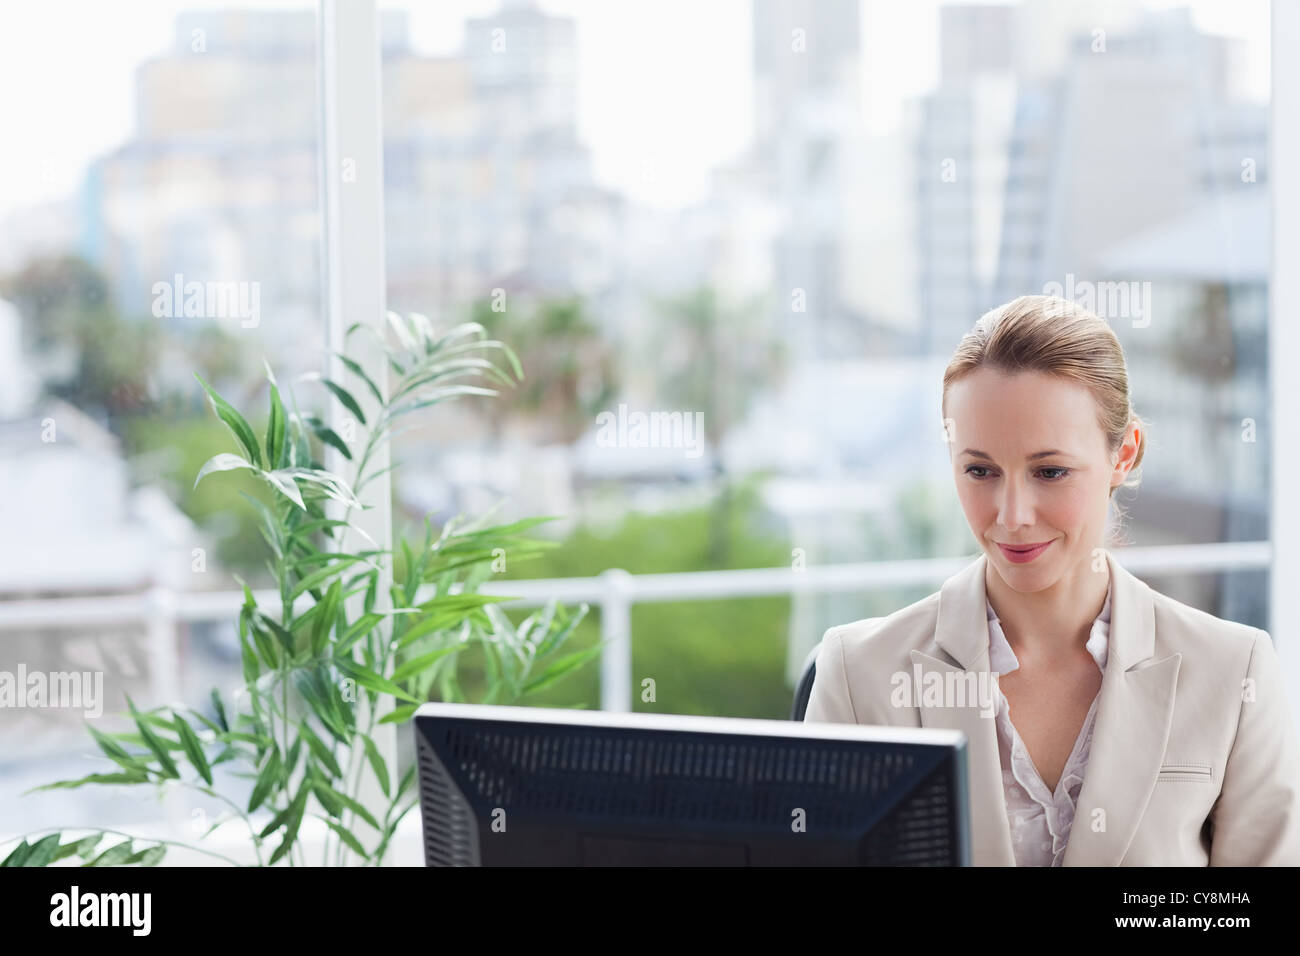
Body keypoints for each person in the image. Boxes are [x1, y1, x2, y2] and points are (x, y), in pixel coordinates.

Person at [804, 294, 1300, 865]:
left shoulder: (1232, 671)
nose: (1011, 514)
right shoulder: (858, 673)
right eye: (980, 470)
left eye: (1051, 471)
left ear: (1124, 454)